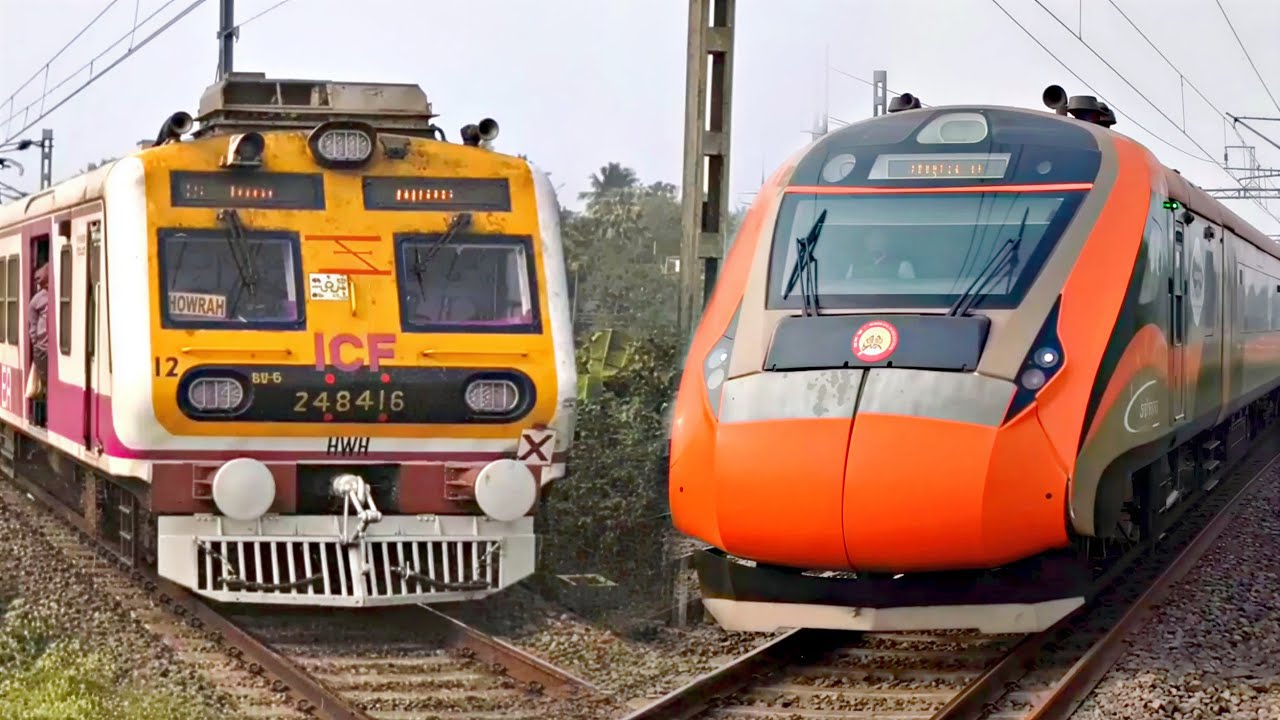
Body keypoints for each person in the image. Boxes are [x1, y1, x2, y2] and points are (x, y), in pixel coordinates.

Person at [27, 263, 48, 426]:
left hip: (50, 349)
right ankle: (42, 418)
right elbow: (32, 326)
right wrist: (37, 343)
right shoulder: (36, 300)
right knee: (45, 384)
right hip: (42, 349)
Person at [847, 230, 916, 281]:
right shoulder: (855, 265)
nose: (874, 241)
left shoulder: (903, 264)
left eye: (878, 237)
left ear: (886, 240)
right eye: (870, 238)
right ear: (865, 241)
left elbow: (910, 291)